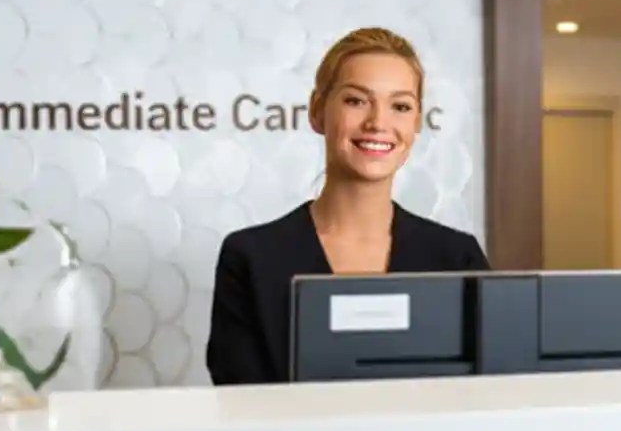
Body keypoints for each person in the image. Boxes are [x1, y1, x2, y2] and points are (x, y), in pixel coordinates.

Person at [207, 27, 491, 385]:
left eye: (400, 106)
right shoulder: (251, 257)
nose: (378, 123)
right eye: (357, 101)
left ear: (416, 123)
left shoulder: (456, 258)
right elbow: (239, 402)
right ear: (317, 111)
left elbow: (488, 396)